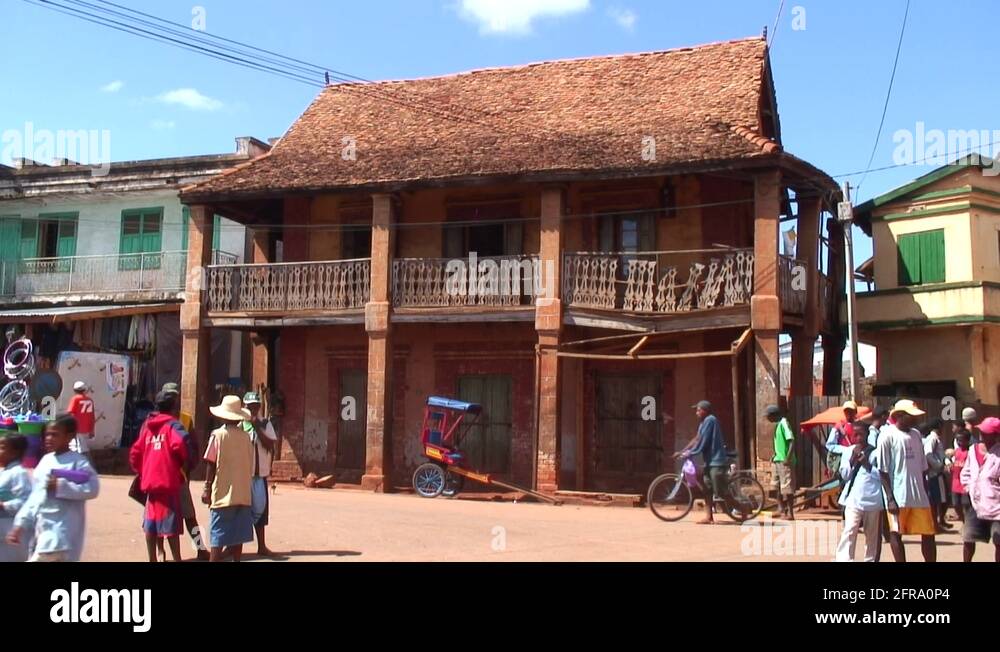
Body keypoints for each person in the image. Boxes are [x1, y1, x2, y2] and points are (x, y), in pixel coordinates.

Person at [6, 414, 100, 562]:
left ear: (70, 436)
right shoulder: (45, 461)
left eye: (55, 435)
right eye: (47, 434)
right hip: (42, 530)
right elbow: (34, 497)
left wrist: (61, 485)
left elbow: (93, 488)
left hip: (62, 534)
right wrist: (20, 524)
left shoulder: (78, 462)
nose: (49, 438)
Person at [129, 391, 189, 562]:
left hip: (150, 484)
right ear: (173, 407)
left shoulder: (147, 426)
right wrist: (180, 466)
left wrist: (143, 471)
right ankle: (180, 557)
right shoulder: (174, 425)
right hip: (169, 480)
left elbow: (135, 452)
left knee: (151, 524)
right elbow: (182, 446)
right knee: (173, 525)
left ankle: (153, 558)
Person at [876, 399, 936, 562]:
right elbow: (883, 471)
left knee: (929, 533)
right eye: (911, 416)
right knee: (896, 533)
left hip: (919, 496)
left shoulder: (916, 435)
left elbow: (924, 468)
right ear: (900, 416)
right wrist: (890, 499)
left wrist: (926, 492)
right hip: (898, 496)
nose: (915, 419)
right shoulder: (887, 436)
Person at [202, 395, 255, 562]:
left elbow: (210, 463)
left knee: (217, 538)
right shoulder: (246, 437)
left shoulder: (217, 435)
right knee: (237, 538)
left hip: (222, 495)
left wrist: (207, 487)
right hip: (243, 494)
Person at [160, 383, 209, 561]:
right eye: (170, 396)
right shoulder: (155, 420)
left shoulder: (186, 419)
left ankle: (201, 548)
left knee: (189, 515)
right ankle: (160, 551)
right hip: (160, 478)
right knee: (160, 517)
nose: (174, 400)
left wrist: (188, 471)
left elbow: (193, 448)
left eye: (175, 396)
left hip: (179, 477)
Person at [675, 400, 729, 525]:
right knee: (707, 489)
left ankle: (742, 508)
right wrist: (683, 451)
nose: (697, 412)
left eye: (699, 410)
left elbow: (703, 441)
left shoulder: (711, 420)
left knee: (719, 491)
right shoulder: (702, 423)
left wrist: (692, 452)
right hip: (709, 461)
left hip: (717, 461)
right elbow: (697, 438)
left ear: (705, 410)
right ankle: (709, 516)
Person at [835, 436, 883, 562]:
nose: (857, 438)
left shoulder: (875, 453)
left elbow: (882, 476)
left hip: (872, 499)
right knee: (849, 530)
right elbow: (845, 475)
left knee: (871, 534)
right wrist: (852, 460)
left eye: (860, 434)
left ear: (867, 435)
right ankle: (844, 559)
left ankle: (870, 559)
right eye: (855, 435)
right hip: (853, 499)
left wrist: (867, 465)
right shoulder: (848, 451)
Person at [242, 392, 278, 557]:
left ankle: (261, 545)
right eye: (250, 406)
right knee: (240, 512)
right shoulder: (239, 424)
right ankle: (235, 547)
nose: (253, 409)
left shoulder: (265, 423)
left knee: (260, 511)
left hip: (259, 475)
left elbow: (270, 444)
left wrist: (257, 426)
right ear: (245, 406)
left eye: (256, 406)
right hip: (242, 476)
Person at [960, 416, 1000, 563]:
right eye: (982, 431)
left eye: (987, 432)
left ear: (996, 435)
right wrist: (968, 486)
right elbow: (966, 472)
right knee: (968, 538)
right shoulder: (973, 450)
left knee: (998, 540)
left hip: (996, 506)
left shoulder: (998, 454)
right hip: (975, 503)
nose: (982, 434)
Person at [0, 434, 33, 562]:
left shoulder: (18, 473)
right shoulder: (5, 471)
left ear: (15, 452)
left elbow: (27, 501)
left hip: (9, 533)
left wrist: (3, 505)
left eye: (2, 447)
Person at [920, 418, 951, 532]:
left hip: (936, 474)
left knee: (938, 500)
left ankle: (937, 524)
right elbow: (928, 455)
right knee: (935, 501)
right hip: (935, 475)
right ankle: (934, 525)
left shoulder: (936, 439)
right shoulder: (932, 439)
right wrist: (939, 466)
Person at [766, 405, 795, 520]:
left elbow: (791, 440)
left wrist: (788, 457)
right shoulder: (777, 425)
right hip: (777, 459)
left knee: (787, 488)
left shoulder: (784, 423)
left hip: (785, 461)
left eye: (768, 416)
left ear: (774, 415)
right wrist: (775, 454)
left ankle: (791, 513)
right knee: (776, 486)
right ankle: (781, 509)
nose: (768, 419)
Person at [826, 400, 859, 477]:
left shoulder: (859, 426)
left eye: (851, 411)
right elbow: (830, 445)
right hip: (843, 461)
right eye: (847, 411)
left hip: (857, 460)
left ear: (855, 412)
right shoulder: (839, 426)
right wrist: (847, 450)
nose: (849, 413)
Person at [66, 381, 95, 458]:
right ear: (84, 389)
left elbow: (70, 413)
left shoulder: (75, 399)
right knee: (83, 448)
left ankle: (83, 465)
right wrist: (92, 430)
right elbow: (92, 416)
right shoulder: (90, 400)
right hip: (86, 429)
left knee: (76, 449)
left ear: (74, 390)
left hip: (76, 428)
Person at [950, 428, 972, 524]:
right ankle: (963, 520)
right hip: (955, 482)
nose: (959, 442)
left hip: (965, 483)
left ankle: (967, 523)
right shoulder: (956, 451)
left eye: (961, 440)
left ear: (967, 441)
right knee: (955, 504)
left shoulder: (971, 452)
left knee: (966, 504)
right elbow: (952, 462)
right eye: (957, 440)